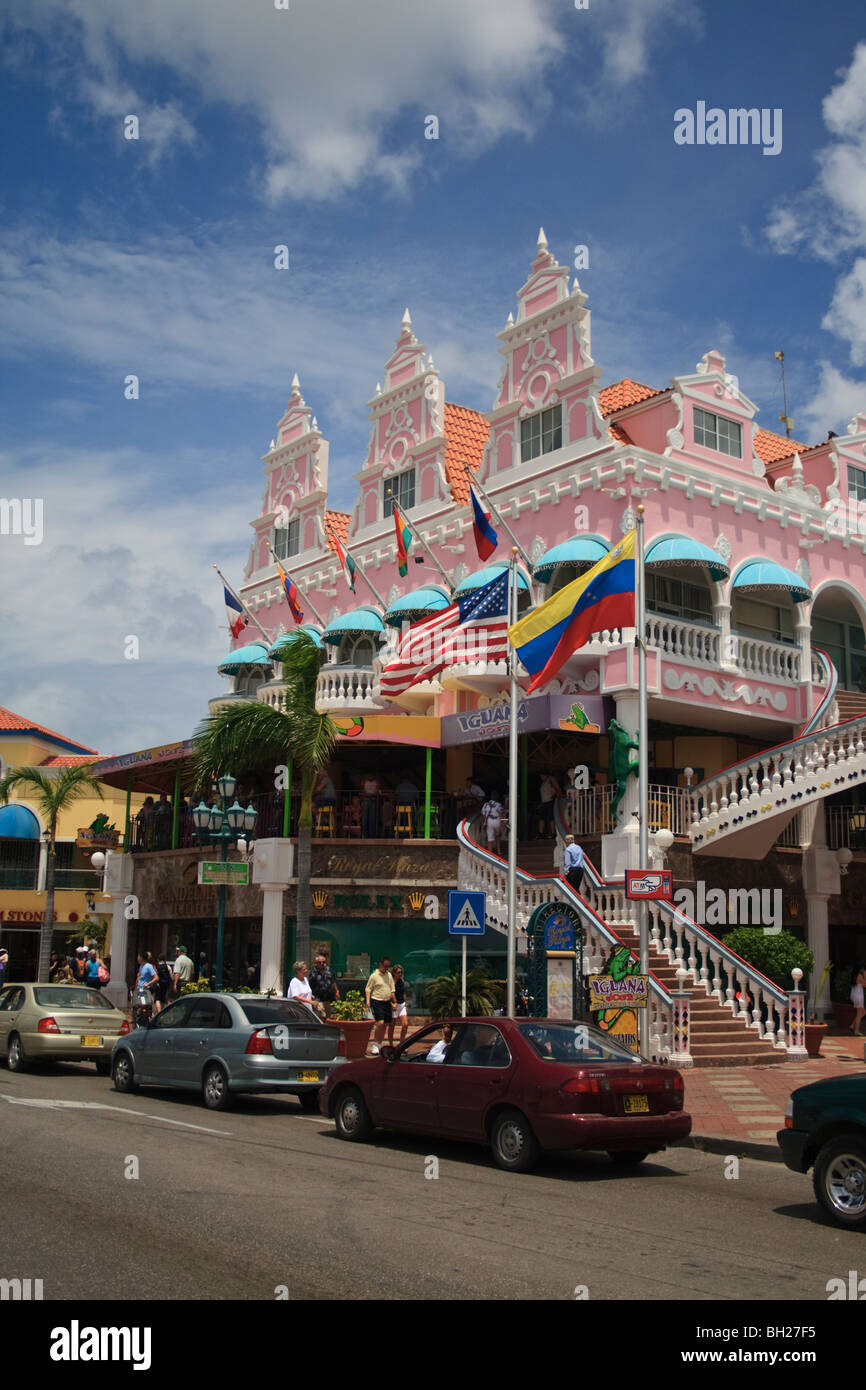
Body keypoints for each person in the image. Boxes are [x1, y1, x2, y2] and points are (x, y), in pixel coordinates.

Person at [365, 956, 396, 1052]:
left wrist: (394, 1002)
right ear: (380, 964)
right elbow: (368, 989)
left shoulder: (389, 975)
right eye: (385, 966)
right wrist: (368, 1001)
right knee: (380, 1023)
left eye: (388, 966)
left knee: (386, 1023)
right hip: (377, 1000)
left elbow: (392, 989)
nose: (386, 968)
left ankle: (379, 1043)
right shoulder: (374, 976)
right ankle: (375, 1044)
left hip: (387, 1002)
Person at [388, 964, 409, 1047]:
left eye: (401, 972)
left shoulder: (401, 981)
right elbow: (386, 995)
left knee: (405, 1025)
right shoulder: (390, 982)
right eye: (398, 972)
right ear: (394, 973)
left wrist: (406, 1004)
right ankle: (390, 1044)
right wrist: (391, 1004)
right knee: (392, 1026)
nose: (400, 974)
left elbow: (403, 993)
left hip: (401, 1005)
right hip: (393, 1006)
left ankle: (402, 1043)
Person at [538, 770, 562, 840]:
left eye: (542, 776)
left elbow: (558, 789)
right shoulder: (543, 783)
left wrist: (556, 797)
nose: (541, 777)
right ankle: (541, 834)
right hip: (544, 802)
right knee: (542, 818)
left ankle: (553, 833)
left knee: (551, 818)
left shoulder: (550, 779)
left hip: (551, 801)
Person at [360, 772, 381, 838]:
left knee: (372, 818)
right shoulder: (364, 782)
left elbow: (378, 790)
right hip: (366, 800)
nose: (370, 776)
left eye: (371, 775)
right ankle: (364, 834)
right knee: (365, 818)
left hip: (373, 800)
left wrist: (374, 794)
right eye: (369, 775)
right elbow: (362, 790)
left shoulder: (376, 782)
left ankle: (372, 835)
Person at [850, 967, 866, 1036]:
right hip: (859, 996)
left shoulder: (854, 976)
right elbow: (865, 985)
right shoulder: (859, 976)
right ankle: (856, 1031)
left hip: (855, 995)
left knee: (863, 1012)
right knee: (859, 1014)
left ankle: (852, 1025)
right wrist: (865, 976)